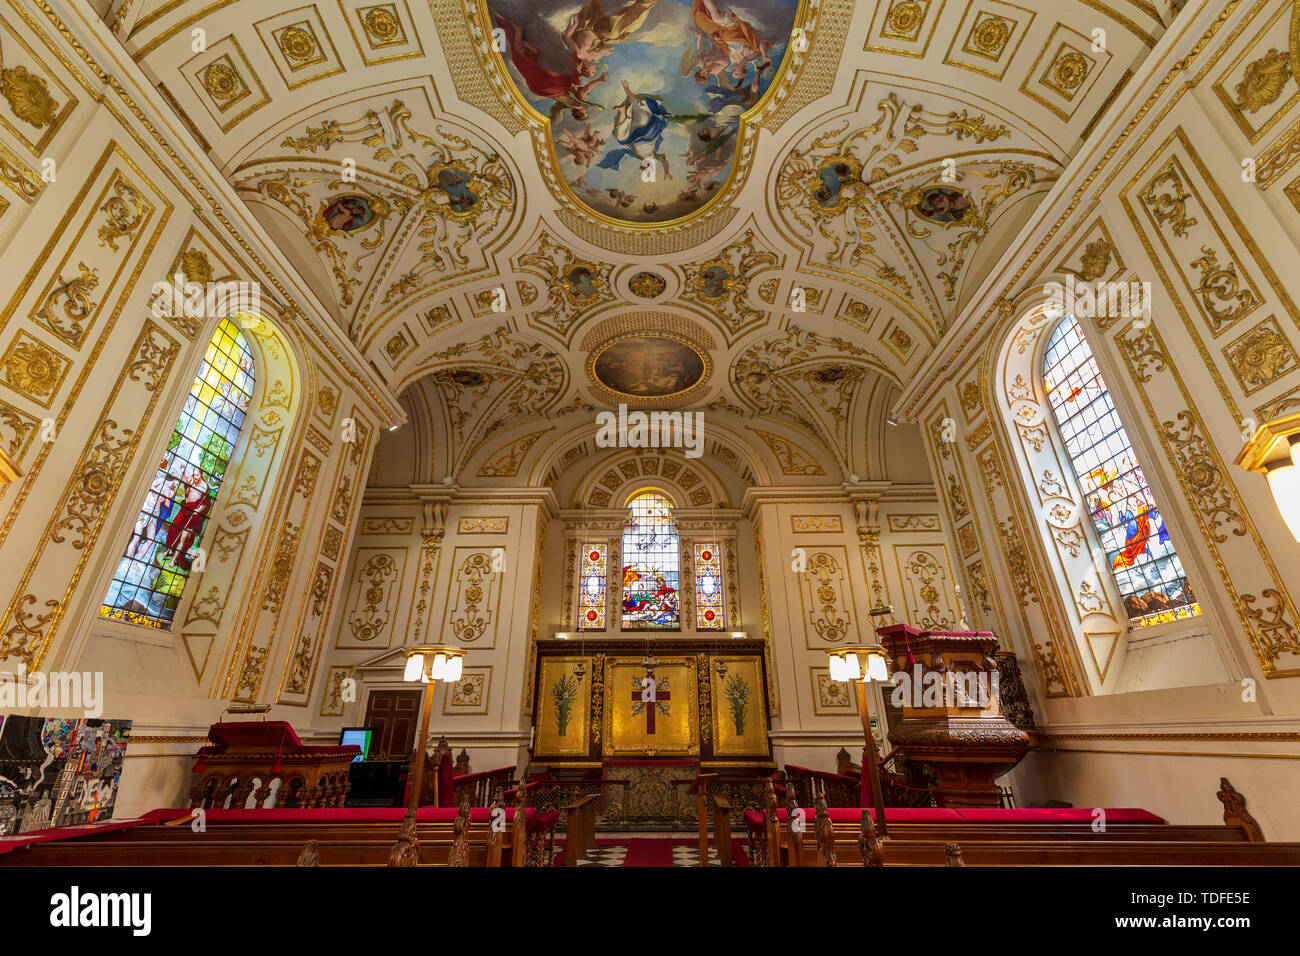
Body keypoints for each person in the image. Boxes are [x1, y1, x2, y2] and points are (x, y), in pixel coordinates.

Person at [495, 16, 607, 122]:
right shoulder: (573, 99)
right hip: (548, 87)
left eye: (584, 113)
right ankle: (521, 36)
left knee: (526, 61)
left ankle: (519, 34)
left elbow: (585, 89)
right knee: (528, 61)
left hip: (553, 86)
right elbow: (582, 88)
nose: (585, 110)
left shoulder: (577, 104)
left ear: (580, 113)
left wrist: (598, 81)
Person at [596, 80, 672, 178]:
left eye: (644, 166)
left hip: (633, 137)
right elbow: (664, 160)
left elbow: (625, 152)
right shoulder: (654, 158)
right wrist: (666, 171)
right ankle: (627, 89)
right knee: (642, 118)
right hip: (648, 134)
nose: (646, 164)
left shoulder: (636, 155)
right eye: (648, 166)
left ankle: (622, 111)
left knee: (619, 137)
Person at [564, 0, 659, 76]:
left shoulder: (579, 54)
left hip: (593, 26)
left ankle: (644, 3)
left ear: (586, 70)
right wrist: (597, 52)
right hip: (604, 34)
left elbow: (567, 37)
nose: (595, 70)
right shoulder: (594, 57)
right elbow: (609, 48)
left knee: (620, 25)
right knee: (633, 25)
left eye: (593, 72)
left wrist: (575, 23)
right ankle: (647, 2)